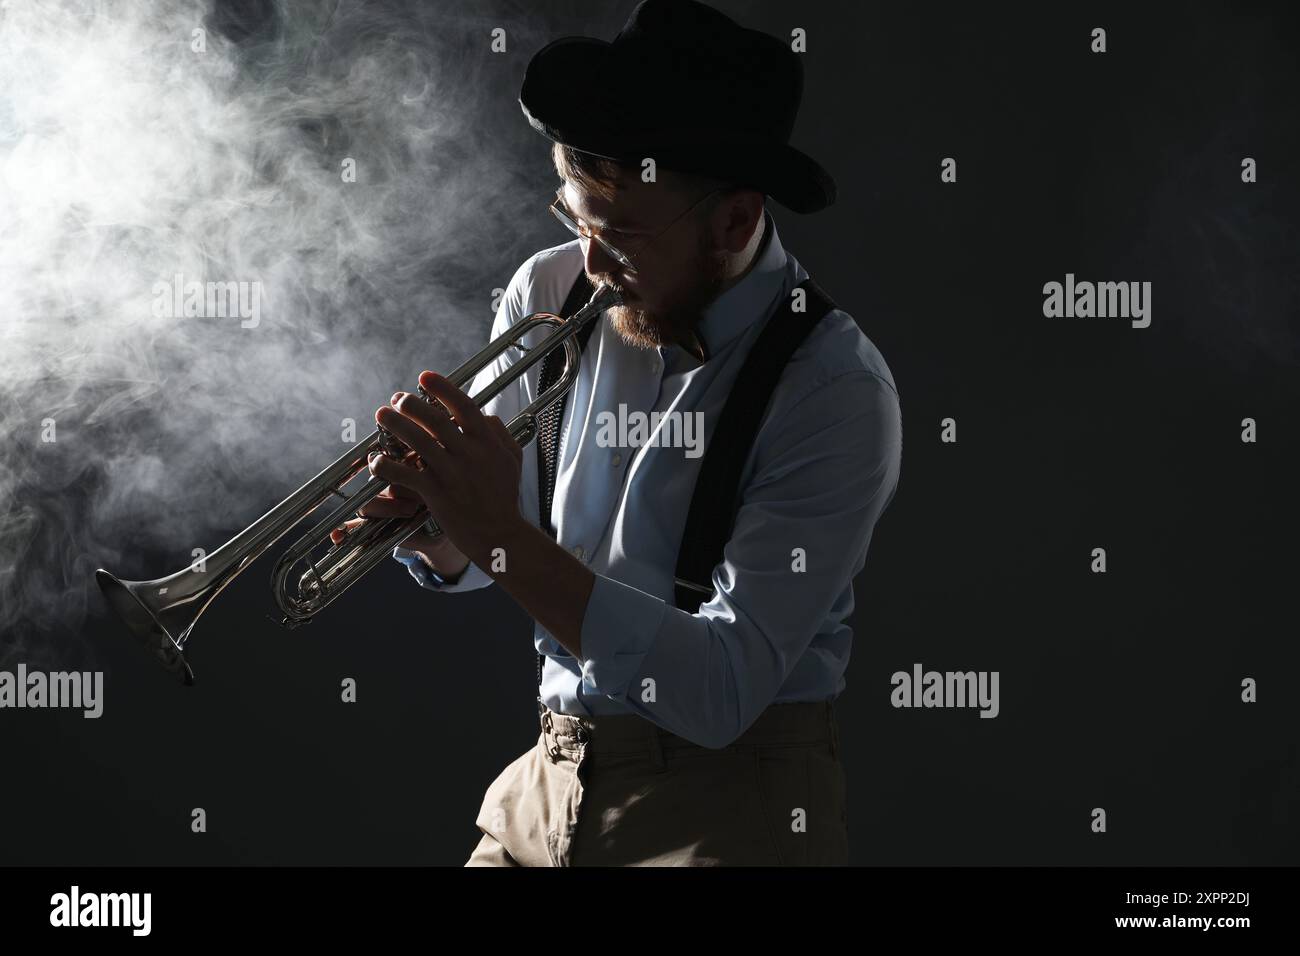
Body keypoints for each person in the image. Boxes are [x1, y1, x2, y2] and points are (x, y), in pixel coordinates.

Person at [333, 0, 902, 865]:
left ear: (736, 221)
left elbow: (719, 688)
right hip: (548, 776)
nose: (592, 263)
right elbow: (503, 539)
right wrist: (442, 526)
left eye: (622, 233)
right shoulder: (552, 287)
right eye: (577, 218)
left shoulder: (835, 391)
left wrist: (496, 537)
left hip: (732, 807)